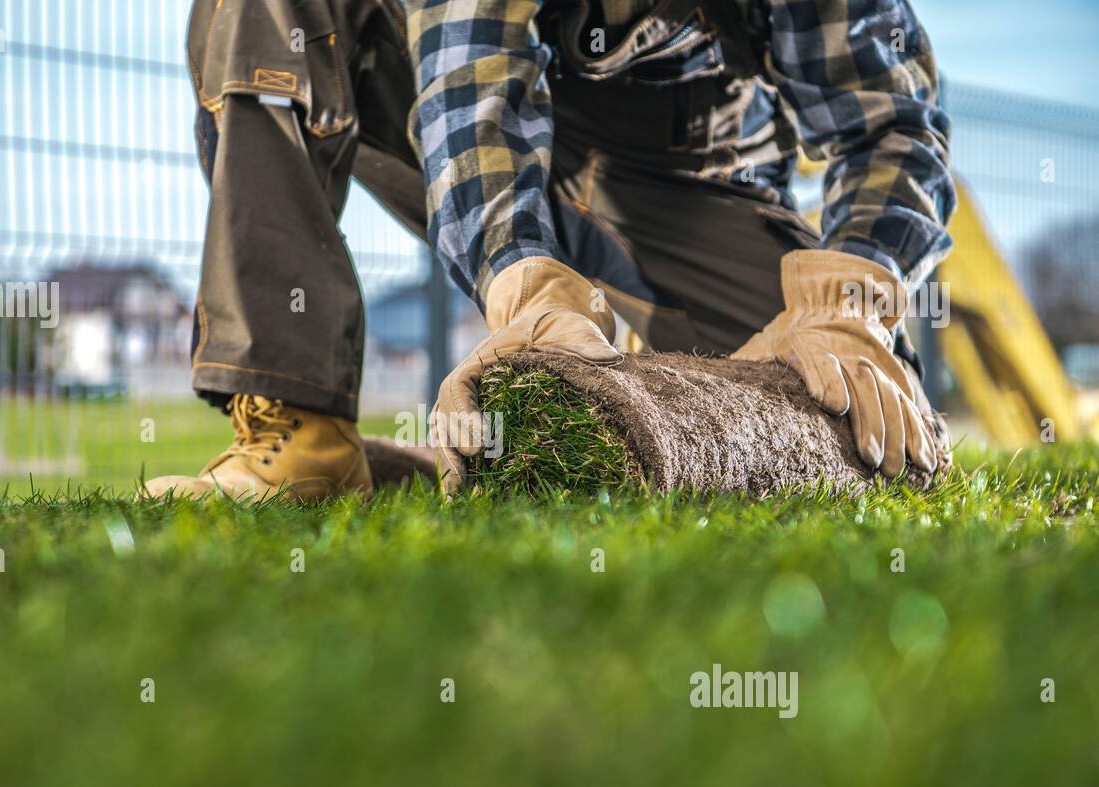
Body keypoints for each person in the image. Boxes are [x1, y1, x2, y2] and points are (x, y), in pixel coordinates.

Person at [144, 0, 954, 499]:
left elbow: (891, 123)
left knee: (851, 415)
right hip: (492, 148)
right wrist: (529, 294)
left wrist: (846, 302)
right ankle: (303, 439)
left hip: (687, 178)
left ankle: (486, 462)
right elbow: (472, 96)